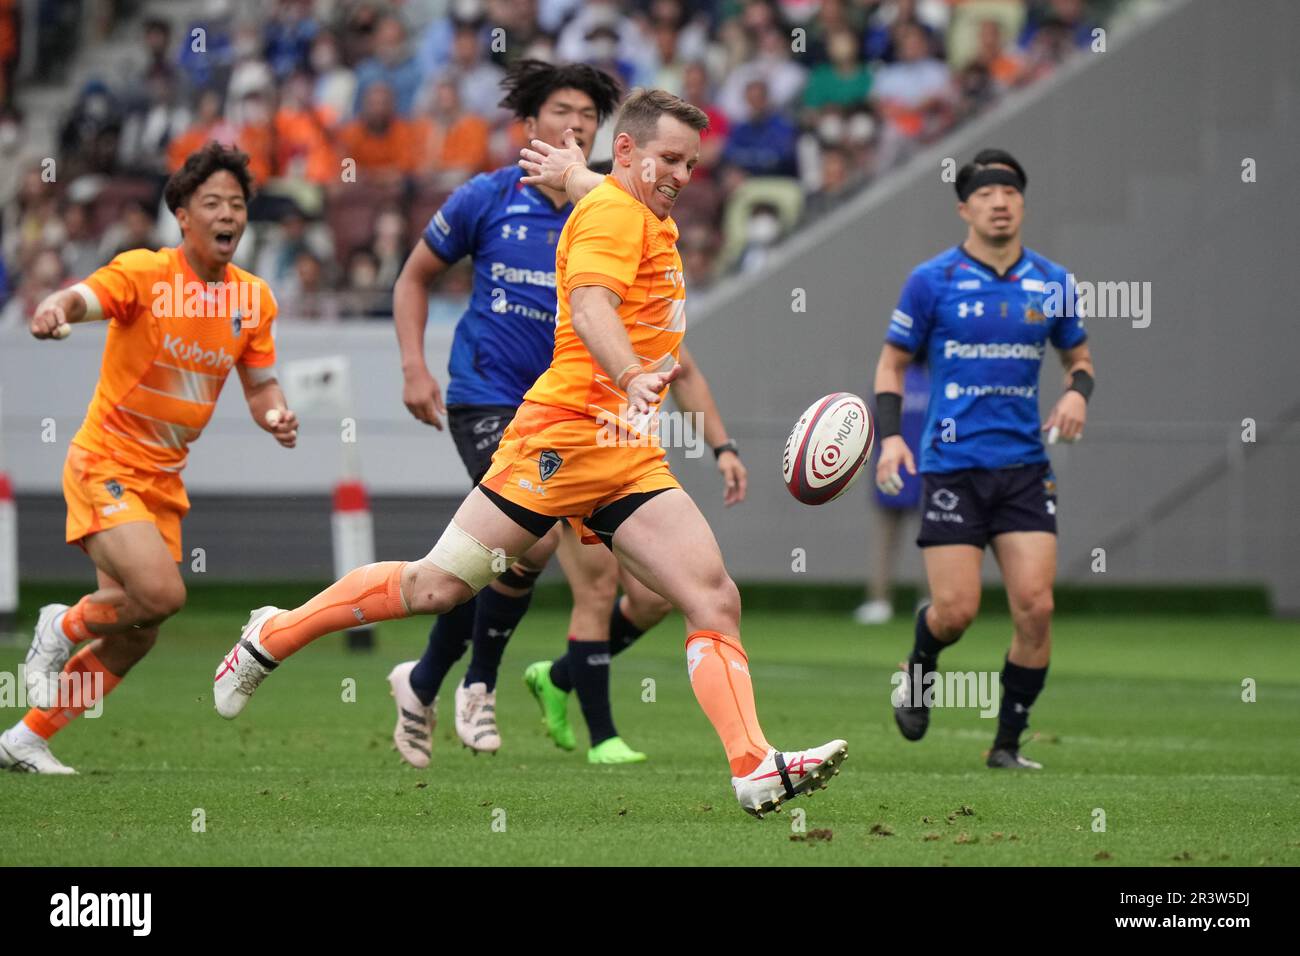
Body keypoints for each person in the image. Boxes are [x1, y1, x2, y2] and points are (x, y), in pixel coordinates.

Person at [213, 88, 847, 817]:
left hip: (624, 454)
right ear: (632, 153)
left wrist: (578, 171)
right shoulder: (616, 214)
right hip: (559, 439)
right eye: (669, 158)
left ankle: (753, 765)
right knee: (435, 589)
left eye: (692, 163)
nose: (682, 174)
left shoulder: (625, 202)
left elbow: (600, 191)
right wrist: (632, 373)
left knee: (712, 596)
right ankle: (273, 632)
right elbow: (590, 307)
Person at [388, 60, 745, 766]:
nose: (575, 125)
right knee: (531, 544)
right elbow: (415, 277)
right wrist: (412, 365)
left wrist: (721, 444)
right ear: (531, 127)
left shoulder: (624, 212)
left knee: (630, 592)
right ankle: (482, 686)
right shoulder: (486, 199)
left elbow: (678, 353)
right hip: (495, 397)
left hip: (590, 421)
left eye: (588, 115)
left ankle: (433, 679)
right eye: (562, 113)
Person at [0, 143, 296, 774]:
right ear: (182, 216)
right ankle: (61, 623)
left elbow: (261, 384)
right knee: (162, 593)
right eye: (212, 202)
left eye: (237, 204)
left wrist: (275, 413)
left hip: (160, 483)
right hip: (103, 463)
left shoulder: (253, 300)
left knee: (136, 632)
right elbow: (86, 296)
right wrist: (56, 307)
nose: (228, 214)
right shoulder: (147, 272)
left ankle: (24, 738)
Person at [873, 148, 1093, 769]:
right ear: (964, 208)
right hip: (952, 466)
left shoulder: (1053, 282)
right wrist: (891, 436)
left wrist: (1077, 393)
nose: (1001, 203)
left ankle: (1006, 746)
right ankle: (919, 663)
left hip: (1024, 467)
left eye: (1011, 193)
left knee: (1037, 606)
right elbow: (891, 365)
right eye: (987, 195)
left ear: (1022, 203)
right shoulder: (931, 281)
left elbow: (1080, 361)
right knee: (956, 611)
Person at [855, 363, 928, 625]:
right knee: (890, 541)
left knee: (926, 541)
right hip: (899, 471)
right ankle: (880, 600)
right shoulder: (887, 384)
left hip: (917, 473)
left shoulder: (929, 383)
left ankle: (920, 600)